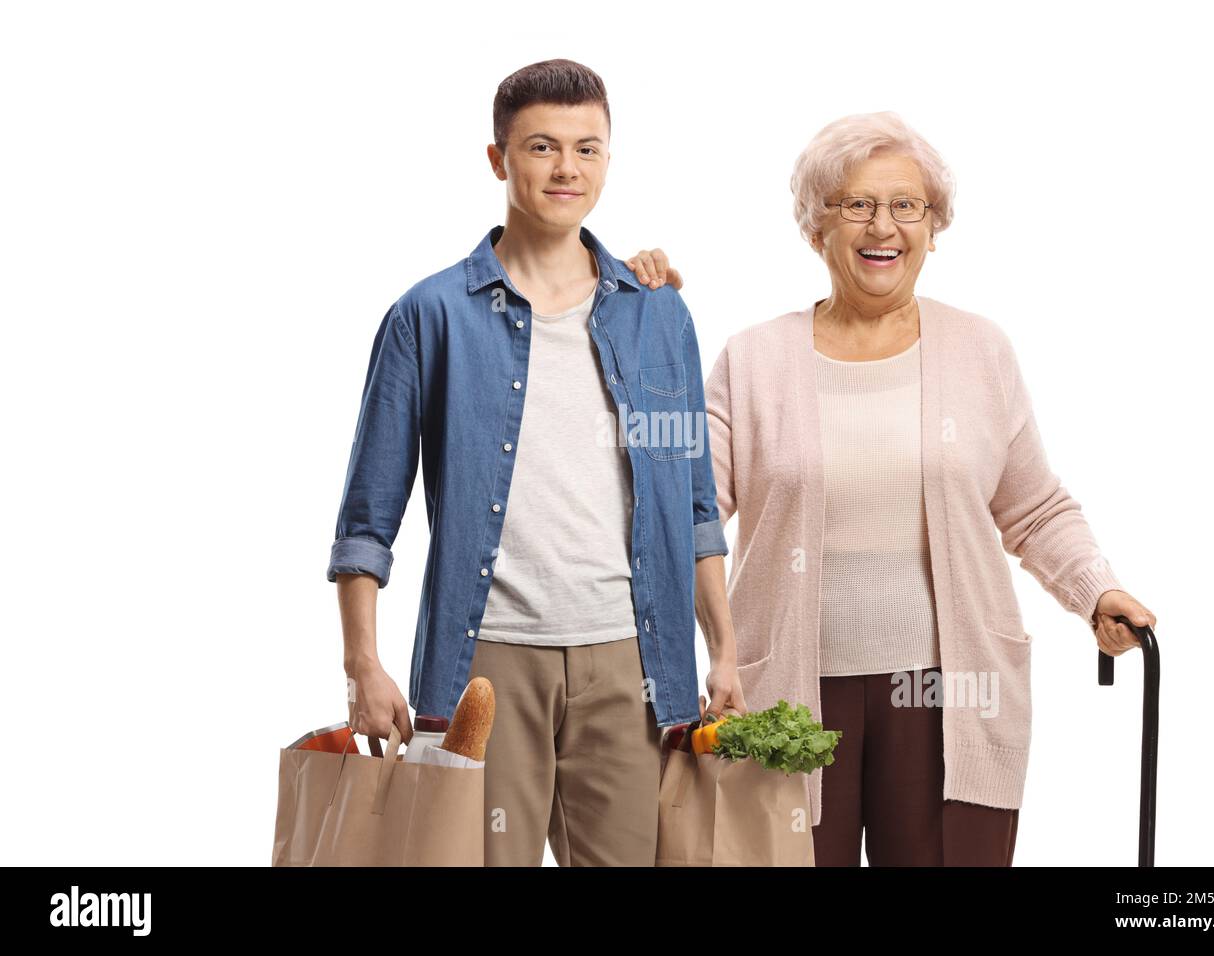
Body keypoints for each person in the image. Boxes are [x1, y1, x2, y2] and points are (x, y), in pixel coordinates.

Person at [627, 111, 1156, 866]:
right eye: (856, 205)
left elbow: (1033, 508)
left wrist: (1096, 591)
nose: (885, 226)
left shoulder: (979, 351)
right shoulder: (754, 360)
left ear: (934, 227)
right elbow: (678, 509)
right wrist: (638, 325)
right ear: (817, 227)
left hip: (945, 693)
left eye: (908, 205)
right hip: (789, 689)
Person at [326, 59, 743, 867]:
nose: (566, 170)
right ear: (498, 159)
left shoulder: (659, 315)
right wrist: (362, 665)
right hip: (486, 660)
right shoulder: (429, 316)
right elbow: (368, 519)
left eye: (587, 149)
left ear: (609, 160)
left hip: (632, 658)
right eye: (543, 147)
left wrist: (722, 647)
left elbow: (694, 506)